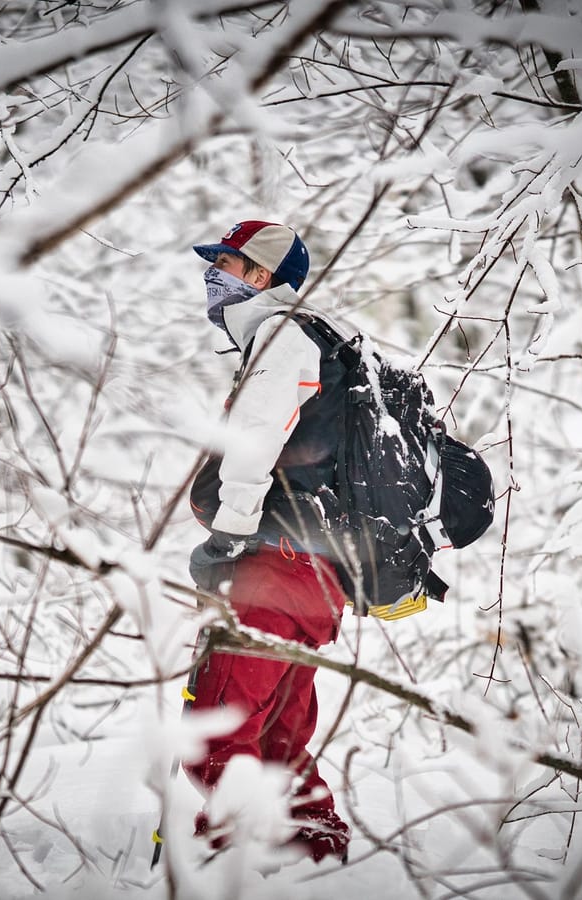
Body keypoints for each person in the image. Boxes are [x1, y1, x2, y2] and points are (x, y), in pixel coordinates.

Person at [185, 220, 351, 864]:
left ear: (261, 276)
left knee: (218, 727)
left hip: (272, 569)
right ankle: (314, 853)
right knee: (278, 734)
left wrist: (226, 538)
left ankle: (231, 861)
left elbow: (256, 440)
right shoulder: (318, 341)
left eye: (226, 263)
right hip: (317, 574)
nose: (212, 276)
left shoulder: (283, 338)